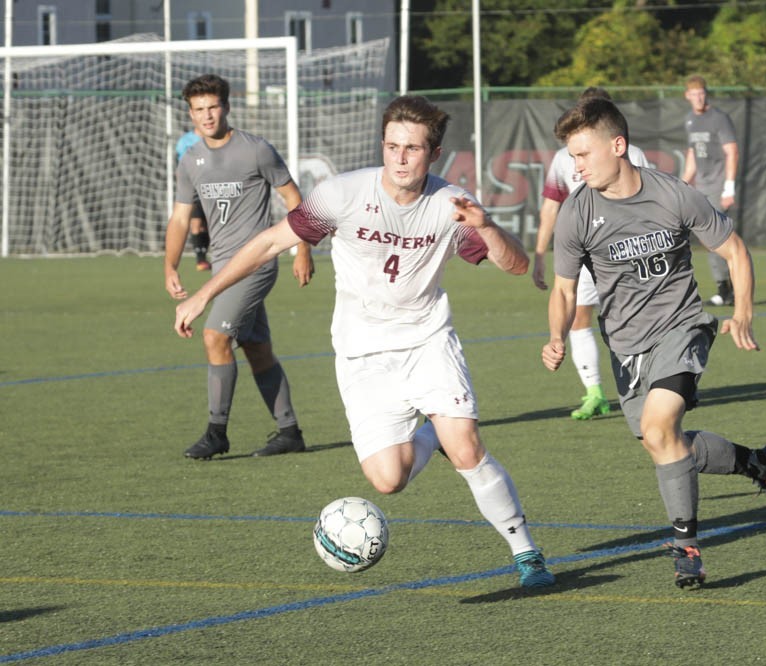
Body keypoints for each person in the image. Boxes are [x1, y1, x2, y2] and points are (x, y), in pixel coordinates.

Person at [173, 95, 556, 588]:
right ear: (382, 145)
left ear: (433, 154)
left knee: (467, 448)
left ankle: (527, 554)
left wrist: (486, 226)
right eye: (392, 145)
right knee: (388, 480)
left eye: (412, 148)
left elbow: (517, 265)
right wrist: (203, 293)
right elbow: (270, 242)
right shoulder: (343, 195)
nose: (400, 157)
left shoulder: (449, 204)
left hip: (427, 341)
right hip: (361, 353)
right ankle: (432, 432)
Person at [541, 96, 766, 590]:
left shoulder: (674, 195)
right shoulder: (576, 213)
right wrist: (556, 335)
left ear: (618, 145)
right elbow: (565, 288)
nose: (576, 166)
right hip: (626, 347)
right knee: (664, 443)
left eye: (583, 154)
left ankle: (686, 547)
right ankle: (761, 464)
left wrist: (742, 313)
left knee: (660, 428)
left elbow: (735, 251)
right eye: (571, 157)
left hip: (682, 328)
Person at [164, 74, 315, 460]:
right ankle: (289, 431)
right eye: (199, 109)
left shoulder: (256, 150)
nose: (207, 115)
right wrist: (170, 267)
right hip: (221, 268)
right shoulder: (191, 160)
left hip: (257, 264)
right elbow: (181, 219)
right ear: (191, 113)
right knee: (256, 348)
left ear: (227, 107)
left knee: (215, 337)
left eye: (213, 107)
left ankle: (217, 432)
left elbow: (294, 199)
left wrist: (302, 250)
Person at [533, 87, 651, 421]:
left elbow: (650, 198)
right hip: (584, 252)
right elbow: (551, 208)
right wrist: (540, 253)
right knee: (578, 317)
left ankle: (657, 380)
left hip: (628, 252)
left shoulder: (635, 154)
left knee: (633, 317)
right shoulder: (562, 158)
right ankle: (594, 392)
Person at [681, 75, 739, 307]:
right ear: (687, 96)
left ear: (707, 94)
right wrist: (683, 183)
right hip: (702, 187)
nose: (698, 97)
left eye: (701, 93)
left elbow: (732, 152)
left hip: (718, 186)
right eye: (694, 94)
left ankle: (732, 288)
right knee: (708, 240)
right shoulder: (689, 120)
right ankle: (724, 288)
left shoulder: (719, 119)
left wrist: (729, 188)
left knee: (720, 238)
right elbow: (693, 154)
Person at [175, 129, 212, 271]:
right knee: (196, 223)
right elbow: (180, 166)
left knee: (208, 224)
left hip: (211, 186)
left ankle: (205, 256)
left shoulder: (215, 138)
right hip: (194, 188)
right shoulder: (185, 141)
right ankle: (200, 260)